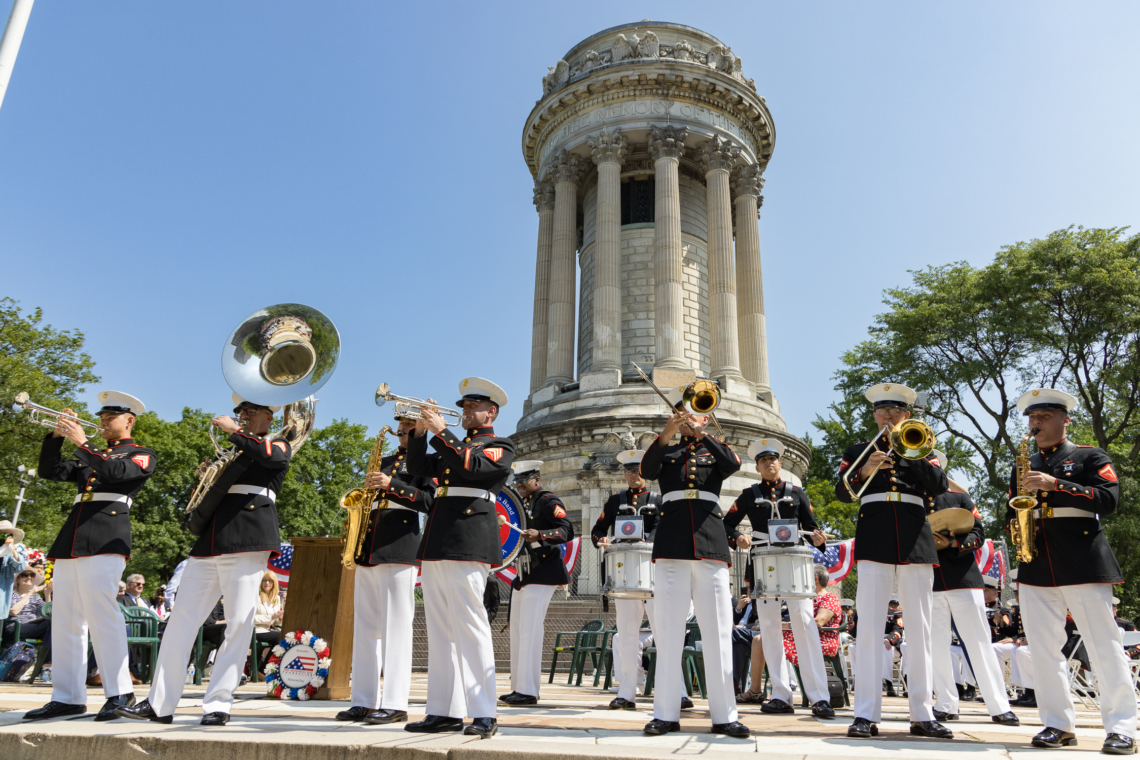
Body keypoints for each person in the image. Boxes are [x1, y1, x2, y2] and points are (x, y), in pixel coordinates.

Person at [117, 393, 292, 727]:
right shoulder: (235, 451)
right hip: (210, 540)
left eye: (250, 412)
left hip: (247, 538)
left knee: (239, 624)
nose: (242, 416)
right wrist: (209, 479)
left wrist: (233, 433)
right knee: (180, 622)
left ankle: (218, 704)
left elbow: (268, 455)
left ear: (269, 418)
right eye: (239, 412)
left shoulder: (279, 444)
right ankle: (159, 704)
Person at [1005, 388, 1135, 754]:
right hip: (1036, 564)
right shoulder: (1025, 462)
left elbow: (1108, 500)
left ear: (1065, 419)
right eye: (1032, 418)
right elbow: (1011, 513)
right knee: (1043, 651)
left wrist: (1056, 484)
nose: (1035, 424)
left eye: (1043, 417)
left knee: (1104, 646)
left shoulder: (1089, 456)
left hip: (1083, 560)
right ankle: (1058, 724)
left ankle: (1122, 726)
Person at [25, 391, 156, 722]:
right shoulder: (91, 454)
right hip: (73, 538)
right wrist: (56, 436)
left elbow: (115, 474)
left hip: (106, 535)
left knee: (103, 615)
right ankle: (67, 696)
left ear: (129, 420)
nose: (102, 422)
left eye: (110, 417)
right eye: (100, 417)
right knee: (66, 619)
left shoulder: (141, 454)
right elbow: (49, 471)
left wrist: (84, 443)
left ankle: (120, 691)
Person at [835, 383, 949, 739]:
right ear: (874, 415)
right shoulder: (858, 449)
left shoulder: (922, 444)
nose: (888, 416)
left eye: (895, 411)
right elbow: (842, 492)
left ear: (907, 415)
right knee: (868, 627)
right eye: (882, 411)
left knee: (921, 629)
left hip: (915, 537)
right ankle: (865, 714)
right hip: (876, 535)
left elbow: (940, 485)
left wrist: (912, 456)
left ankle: (923, 713)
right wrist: (866, 469)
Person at [403, 377, 514, 739]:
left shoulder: (499, 445)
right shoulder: (456, 446)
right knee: (439, 629)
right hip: (439, 539)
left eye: (472, 407)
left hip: (469, 538)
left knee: (471, 626)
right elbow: (419, 468)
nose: (464, 412)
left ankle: (484, 712)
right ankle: (443, 710)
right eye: (463, 407)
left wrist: (440, 432)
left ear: (490, 412)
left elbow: (474, 469)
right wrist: (419, 433)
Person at [638, 388, 749, 739]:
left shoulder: (714, 449)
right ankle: (666, 713)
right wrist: (667, 432)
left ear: (706, 417)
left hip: (710, 544)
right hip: (671, 544)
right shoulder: (666, 450)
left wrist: (705, 436)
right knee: (668, 632)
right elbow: (646, 469)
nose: (688, 417)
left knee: (718, 632)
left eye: (694, 413)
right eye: (682, 412)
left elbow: (733, 465)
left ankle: (725, 715)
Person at [337, 412, 436, 725]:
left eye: (409, 427)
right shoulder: (385, 459)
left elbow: (429, 501)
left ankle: (394, 702)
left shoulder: (425, 462)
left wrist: (392, 485)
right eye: (401, 428)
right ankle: (363, 701)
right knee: (365, 628)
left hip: (400, 544)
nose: (402, 432)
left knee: (396, 628)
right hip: (370, 545)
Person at [725, 438, 833, 718]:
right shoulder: (749, 494)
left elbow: (810, 526)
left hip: (795, 565)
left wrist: (819, 538)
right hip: (763, 565)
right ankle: (781, 695)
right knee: (770, 630)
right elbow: (727, 523)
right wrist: (738, 537)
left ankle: (819, 697)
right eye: (762, 461)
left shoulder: (797, 492)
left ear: (780, 464)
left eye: (772, 460)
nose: (768, 464)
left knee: (805, 627)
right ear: (757, 466)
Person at [926, 452, 1017, 726]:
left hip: (963, 578)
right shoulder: (910, 502)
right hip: (927, 579)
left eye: (931, 465)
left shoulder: (960, 500)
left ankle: (999, 706)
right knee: (936, 646)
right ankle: (945, 703)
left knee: (978, 642)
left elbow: (978, 535)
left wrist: (953, 543)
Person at [590, 449, 663, 709]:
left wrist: (648, 541)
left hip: (653, 575)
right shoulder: (614, 501)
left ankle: (677, 692)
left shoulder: (658, 499)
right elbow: (598, 529)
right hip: (624, 578)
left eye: (638, 470)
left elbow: (660, 528)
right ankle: (627, 693)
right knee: (628, 635)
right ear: (624, 474)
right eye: (629, 471)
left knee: (664, 634)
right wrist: (602, 539)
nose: (633, 475)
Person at [499, 460, 573, 706]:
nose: (519, 485)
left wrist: (542, 535)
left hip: (544, 571)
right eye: (517, 481)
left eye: (524, 481)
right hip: (524, 572)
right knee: (519, 630)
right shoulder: (522, 503)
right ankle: (518, 686)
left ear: (536, 480)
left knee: (530, 629)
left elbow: (566, 530)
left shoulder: (548, 501)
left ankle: (529, 691)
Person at [779, 566, 842, 681]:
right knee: (764, 639)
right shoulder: (808, 598)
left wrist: (787, 625)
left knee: (774, 643)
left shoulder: (829, 598)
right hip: (802, 636)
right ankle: (775, 687)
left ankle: (785, 685)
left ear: (815, 579)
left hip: (821, 640)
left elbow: (819, 622)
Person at [4, 568, 49, 654]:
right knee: (50, 624)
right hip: (15, 627)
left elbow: (46, 612)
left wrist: (47, 594)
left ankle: (45, 663)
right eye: (25, 575)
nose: (29, 577)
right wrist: (29, 594)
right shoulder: (11, 594)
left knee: (51, 628)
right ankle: (46, 663)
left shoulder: (35, 596)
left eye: (32, 575)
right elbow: (13, 612)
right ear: (18, 579)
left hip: (33, 626)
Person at [0, 521, 30, 621]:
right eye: (3, 534)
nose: (5, 537)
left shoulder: (9, 553)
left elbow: (20, 567)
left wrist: (12, 550)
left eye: (9, 535)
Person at [253, 573, 282, 668]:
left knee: (288, 636)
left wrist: (280, 618)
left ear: (274, 583)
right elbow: (251, 618)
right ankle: (263, 668)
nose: (267, 583)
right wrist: (270, 617)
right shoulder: (255, 597)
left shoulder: (277, 599)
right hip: (256, 630)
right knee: (280, 637)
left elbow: (275, 622)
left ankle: (264, 667)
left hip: (269, 630)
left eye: (270, 581)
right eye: (264, 580)